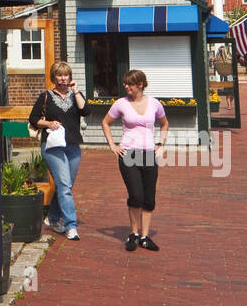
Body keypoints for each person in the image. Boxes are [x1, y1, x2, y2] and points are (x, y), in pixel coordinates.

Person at [101, 69, 168, 253]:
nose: (126, 86)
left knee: (149, 199)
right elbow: (105, 122)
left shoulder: (154, 104)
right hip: (128, 155)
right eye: (125, 83)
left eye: (129, 84)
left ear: (140, 85)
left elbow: (164, 124)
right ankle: (133, 234)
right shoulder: (120, 104)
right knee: (136, 196)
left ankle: (144, 237)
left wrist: (161, 144)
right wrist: (112, 145)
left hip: (149, 155)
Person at [28, 61, 89, 241]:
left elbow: (85, 111)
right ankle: (71, 226)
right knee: (64, 186)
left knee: (66, 186)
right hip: (52, 146)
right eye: (59, 75)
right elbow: (33, 119)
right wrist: (48, 123)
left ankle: (53, 217)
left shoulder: (76, 96)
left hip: (73, 146)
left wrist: (76, 91)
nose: (63, 78)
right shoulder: (46, 96)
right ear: (53, 77)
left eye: (66, 75)